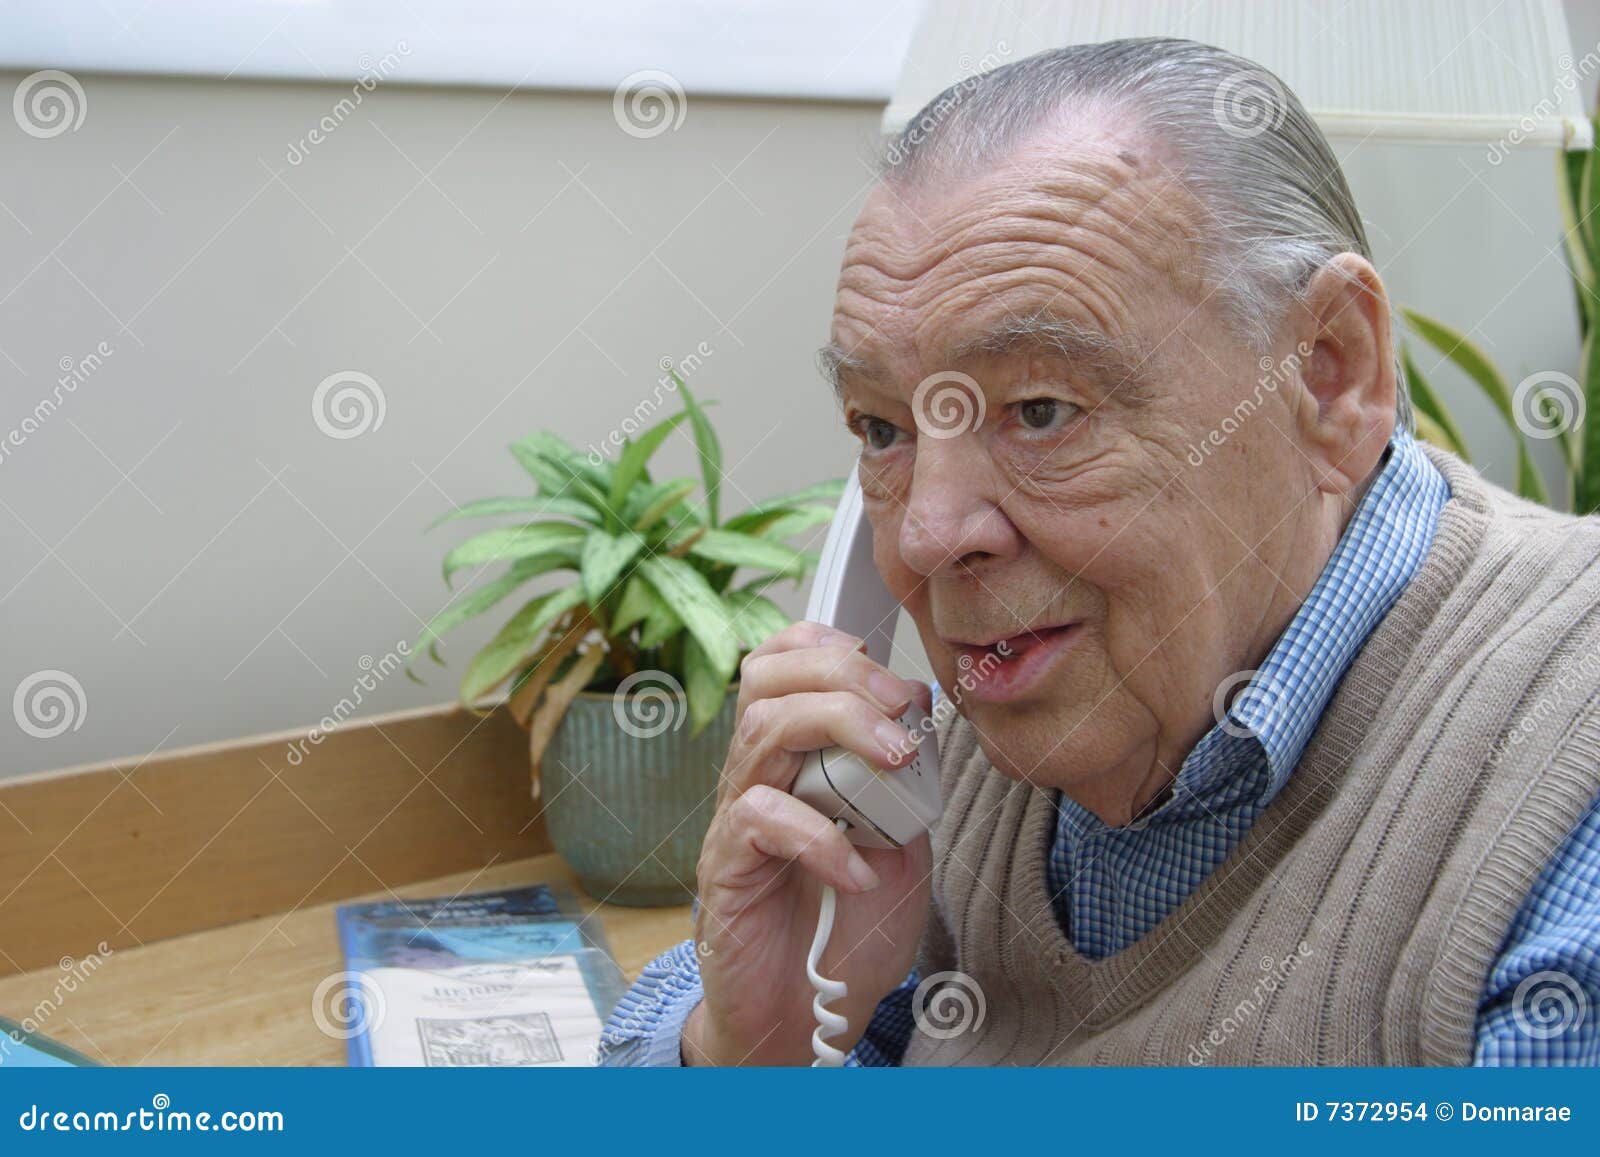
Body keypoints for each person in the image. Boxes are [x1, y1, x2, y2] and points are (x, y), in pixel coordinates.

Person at [601, 37, 1600, 1067]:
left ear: (1329, 376)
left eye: (1040, 410)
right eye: (882, 429)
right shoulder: (970, 758)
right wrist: (745, 1048)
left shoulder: (1556, 801)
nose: (929, 535)